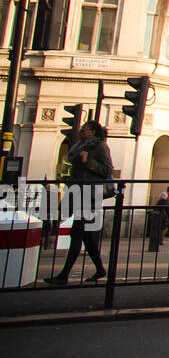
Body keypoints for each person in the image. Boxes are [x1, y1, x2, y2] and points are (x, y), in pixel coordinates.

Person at [44, 121, 114, 285]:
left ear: (92, 132)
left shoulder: (100, 147)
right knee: (87, 238)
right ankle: (100, 269)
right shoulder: (78, 146)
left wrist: (88, 161)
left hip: (90, 196)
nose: (81, 131)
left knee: (77, 233)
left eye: (84, 129)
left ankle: (64, 275)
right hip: (78, 192)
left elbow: (107, 170)